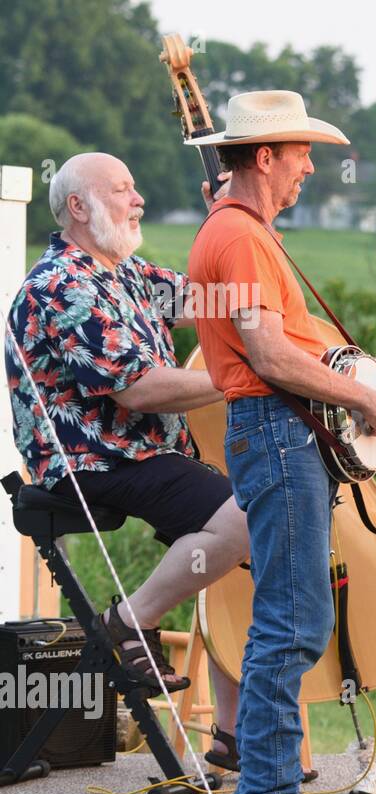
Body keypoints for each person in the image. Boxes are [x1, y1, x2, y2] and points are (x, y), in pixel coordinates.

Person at [186, 91, 376, 794]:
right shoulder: (239, 239)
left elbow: (294, 352)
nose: (308, 170)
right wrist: (369, 400)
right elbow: (267, 358)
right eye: (301, 155)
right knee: (294, 617)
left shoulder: (240, 234)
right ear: (263, 156)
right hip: (275, 435)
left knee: (291, 613)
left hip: (277, 432)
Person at [4, 152, 244, 761]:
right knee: (250, 515)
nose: (139, 200)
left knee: (244, 557)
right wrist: (246, 376)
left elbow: (220, 304)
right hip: (96, 462)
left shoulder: (129, 274)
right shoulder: (61, 285)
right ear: (78, 207)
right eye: (124, 190)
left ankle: (234, 742)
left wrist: (235, 218)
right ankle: (128, 621)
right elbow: (140, 388)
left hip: (146, 455)